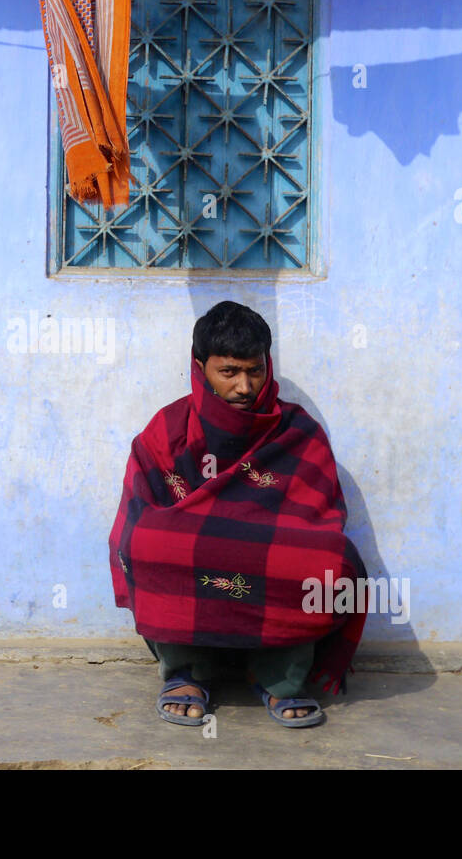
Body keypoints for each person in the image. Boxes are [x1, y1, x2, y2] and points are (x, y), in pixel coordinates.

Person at [107, 300, 367, 728]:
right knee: (146, 542)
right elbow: (140, 505)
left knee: (326, 559)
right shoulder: (169, 428)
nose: (244, 387)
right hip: (196, 543)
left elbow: (322, 514)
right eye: (229, 372)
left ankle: (280, 678)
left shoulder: (297, 429)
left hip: (269, 544)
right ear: (200, 368)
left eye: (255, 370)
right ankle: (186, 672)